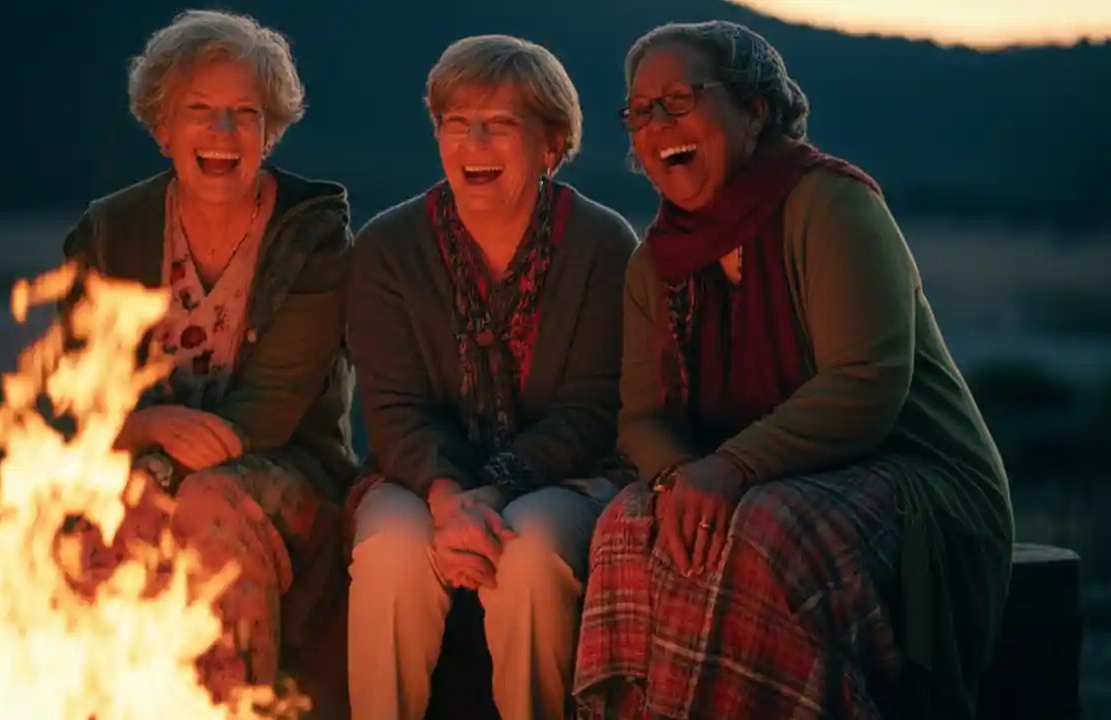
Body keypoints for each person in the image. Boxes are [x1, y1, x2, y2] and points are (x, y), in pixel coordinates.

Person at [574, 20, 1013, 720]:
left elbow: (864, 383)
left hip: (909, 473)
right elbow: (642, 418)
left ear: (754, 110)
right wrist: (680, 479)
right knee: (629, 525)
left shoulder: (831, 203)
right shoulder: (656, 263)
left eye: (680, 100)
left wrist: (730, 468)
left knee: (766, 532)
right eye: (641, 111)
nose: (657, 125)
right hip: (742, 476)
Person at [60, 9, 355, 708]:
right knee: (83, 517)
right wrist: (147, 429)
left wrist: (155, 465)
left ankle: (235, 707)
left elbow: (270, 409)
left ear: (270, 130)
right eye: (200, 111)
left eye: (244, 114)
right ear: (162, 128)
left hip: (288, 473)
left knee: (205, 503)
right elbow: (76, 397)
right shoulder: (110, 234)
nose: (223, 132)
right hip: (142, 457)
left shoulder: (312, 237)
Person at [344, 34, 638, 720]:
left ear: (552, 144)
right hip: (419, 475)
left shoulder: (603, 245)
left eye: (501, 124)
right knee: (389, 548)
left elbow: (592, 411)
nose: (474, 142)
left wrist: (493, 491)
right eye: (456, 122)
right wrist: (450, 498)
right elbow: (395, 409)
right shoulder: (387, 247)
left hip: (566, 474)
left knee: (530, 552)